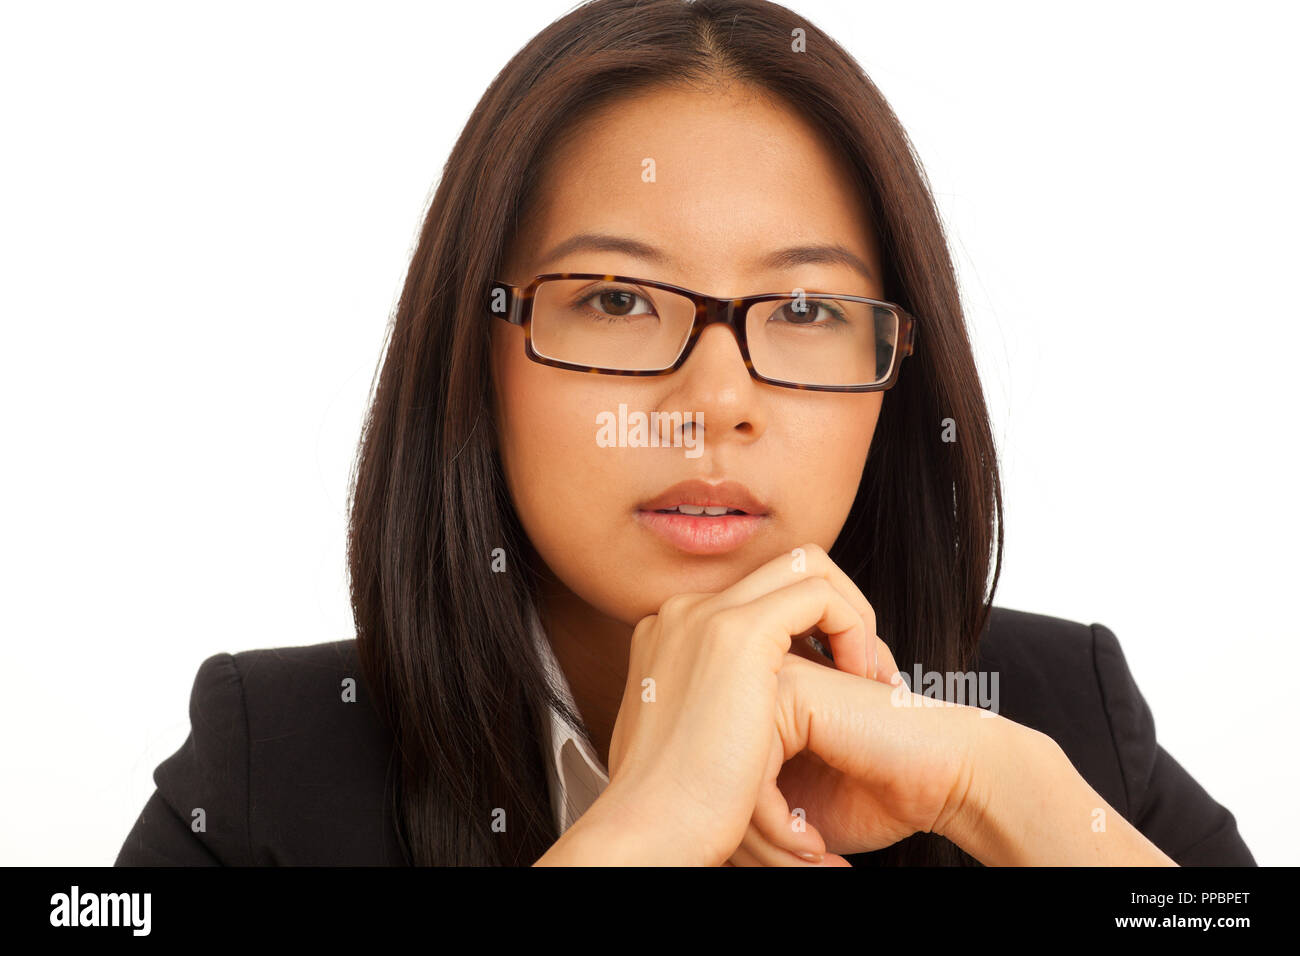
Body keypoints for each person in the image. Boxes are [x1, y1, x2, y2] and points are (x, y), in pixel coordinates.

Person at [115, 0, 1255, 867]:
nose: (716, 400)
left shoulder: (1052, 714)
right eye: (614, 298)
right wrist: (644, 829)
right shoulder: (268, 773)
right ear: (479, 352)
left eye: (805, 310)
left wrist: (1002, 794)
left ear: (898, 374)